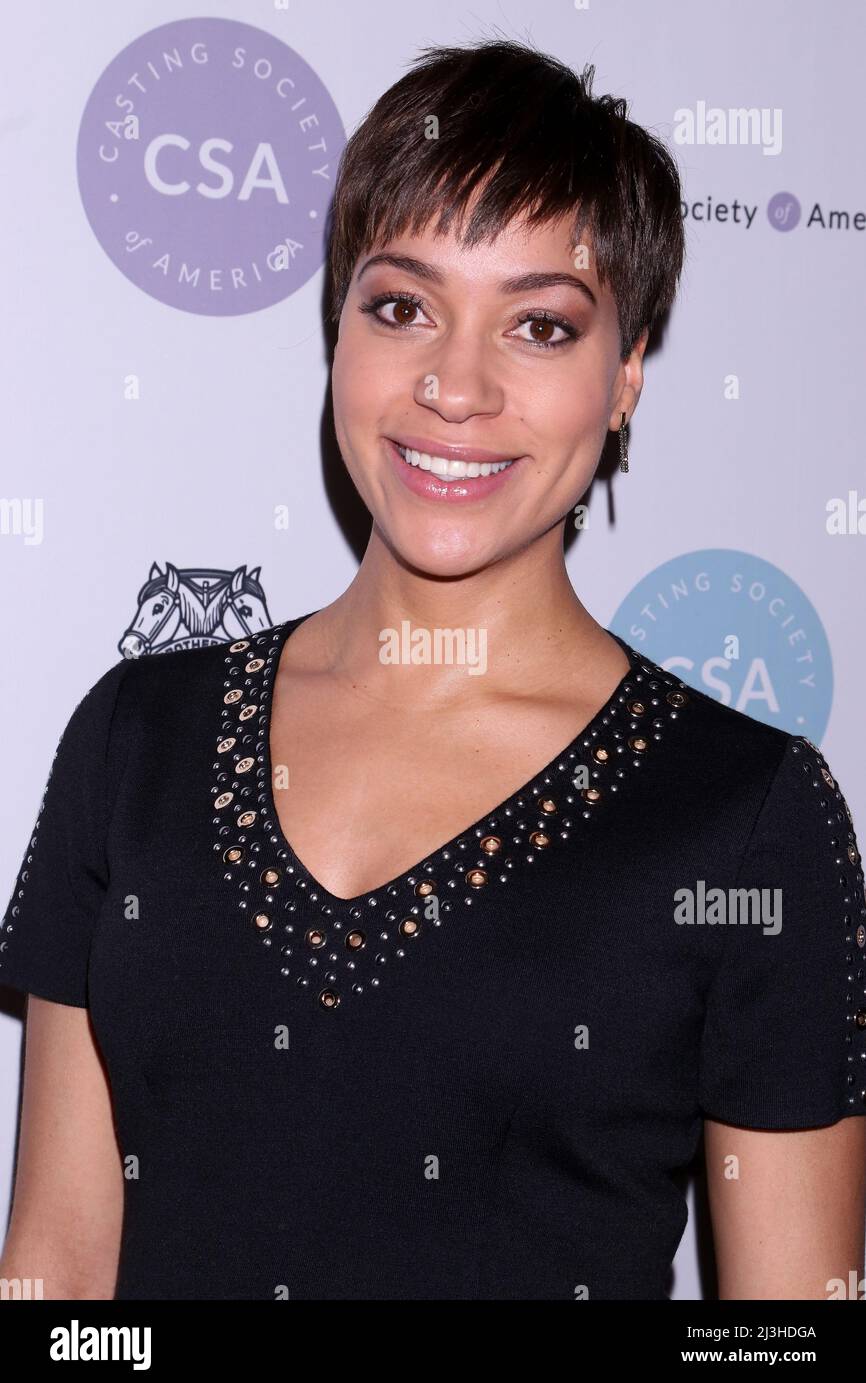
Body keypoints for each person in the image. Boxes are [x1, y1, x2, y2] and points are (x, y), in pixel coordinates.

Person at [1, 37, 864, 1301]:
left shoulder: (745, 817)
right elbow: (61, 1283)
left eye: (538, 325)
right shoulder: (140, 738)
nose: (454, 386)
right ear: (336, 328)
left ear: (624, 376)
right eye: (400, 305)